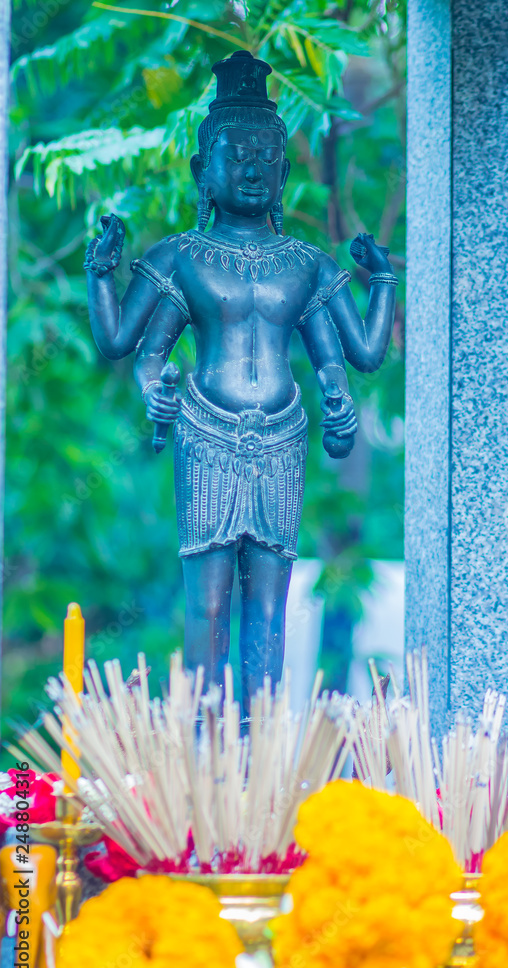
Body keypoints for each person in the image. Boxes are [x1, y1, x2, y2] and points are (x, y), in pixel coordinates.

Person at [83, 51, 397, 716]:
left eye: (265, 153)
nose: (253, 166)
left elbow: (362, 353)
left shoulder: (304, 264)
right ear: (203, 169)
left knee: (269, 613)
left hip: (282, 435)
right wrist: (100, 277)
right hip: (206, 429)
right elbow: (130, 347)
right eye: (236, 152)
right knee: (208, 606)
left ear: (283, 170)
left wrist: (384, 281)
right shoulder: (183, 256)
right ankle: (203, 764)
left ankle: (260, 771)